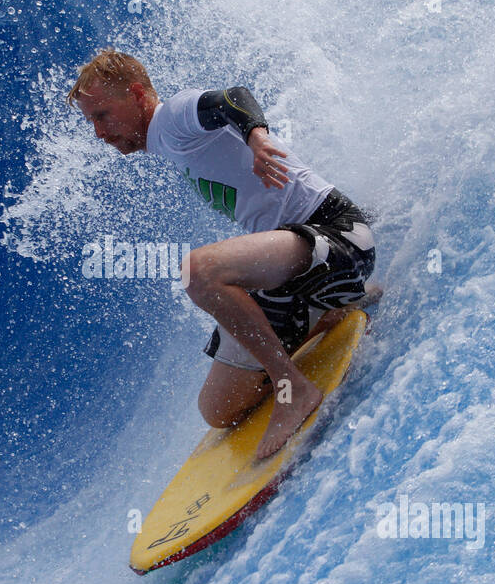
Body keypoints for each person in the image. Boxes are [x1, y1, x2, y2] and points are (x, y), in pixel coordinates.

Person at [68, 49, 377, 459]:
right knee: (219, 410)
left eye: (103, 115)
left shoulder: (173, 117)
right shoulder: (166, 145)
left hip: (338, 235)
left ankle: (293, 388)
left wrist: (259, 138)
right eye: (92, 121)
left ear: (138, 95)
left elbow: (230, 98)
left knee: (199, 271)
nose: (99, 133)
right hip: (298, 270)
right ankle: (332, 308)